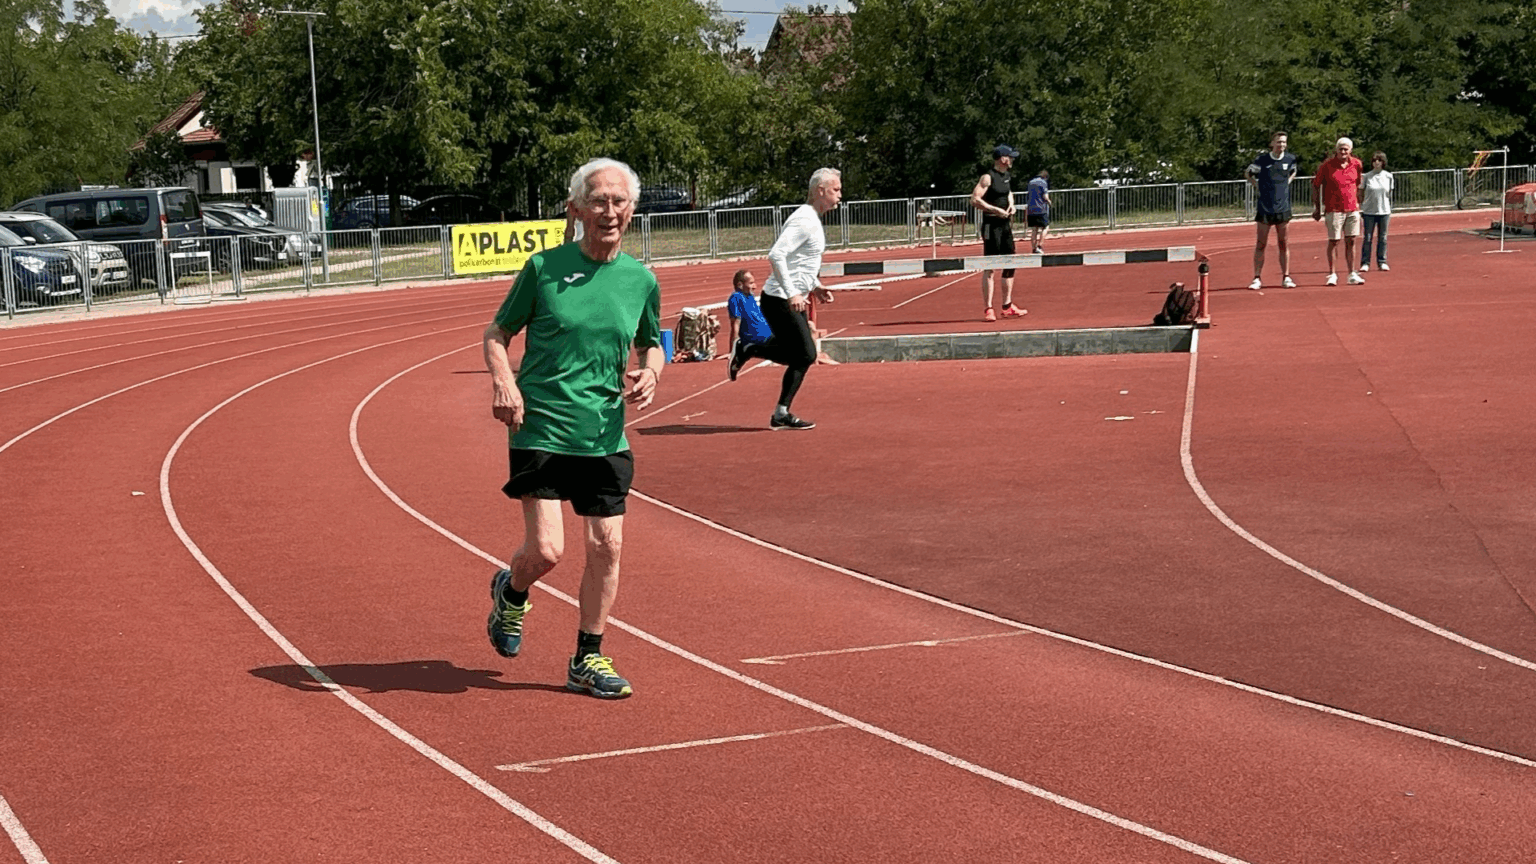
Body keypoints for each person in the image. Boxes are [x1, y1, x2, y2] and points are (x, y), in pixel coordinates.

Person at [481, 157, 663, 700]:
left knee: (607, 544)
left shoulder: (641, 280)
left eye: (619, 201)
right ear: (577, 209)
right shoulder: (544, 270)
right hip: (540, 428)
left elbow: (652, 341)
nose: (610, 211)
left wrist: (651, 371)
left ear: (631, 210)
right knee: (548, 552)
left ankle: (588, 657)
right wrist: (504, 383)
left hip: (605, 433)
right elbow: (497, 332)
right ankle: (512, 592)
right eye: (599, 201)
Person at [726, 167, 842, 430]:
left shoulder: (813, 219)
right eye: (836, 190)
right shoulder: (804, 220)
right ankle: (750, 350)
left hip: (791, 298)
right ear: (820, 191)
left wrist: (816, 285)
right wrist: (792, 292)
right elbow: (776, 255)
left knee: (799, 354)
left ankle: (780, 412)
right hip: (780, 299)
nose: (840, 195)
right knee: (805, 354)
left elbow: (799, 264)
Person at [970, 145, 1028, 322]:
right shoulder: (987, 178)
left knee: (1010, 262)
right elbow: (974, 199)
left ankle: (1007, 306)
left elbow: (1009, 193)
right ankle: (988, 309)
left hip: (1005, 225)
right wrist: (995, 210)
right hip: (991, 225)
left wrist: (1011, 205)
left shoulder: (1006, 176)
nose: (1012, 161)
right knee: (990, 266)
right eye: (1010, 158)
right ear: (1003, 159)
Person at [1245, 130, 1299, 290]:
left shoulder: (1290, 159)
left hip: (1283, 208)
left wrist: (1286, 184)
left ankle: (1286, 276)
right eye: (1278, 142)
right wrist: (1257, 186)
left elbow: (1293, 171)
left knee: (1284, 243)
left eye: (1283, 142)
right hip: (1265, 208)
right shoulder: (1262, 160)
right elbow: (1248, 173)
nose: (1281, 145)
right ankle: (1256, 277)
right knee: (1261, 244)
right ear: (1272, 143)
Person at [1311, 137, 1366, 286]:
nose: (1343, 152)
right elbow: (1316, 185)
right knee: (1334, 241)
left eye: (1346, 149)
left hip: (1352, 208)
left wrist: (1358, 203)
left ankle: (1351, 273)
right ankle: (1332, 273)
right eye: (1340, 149)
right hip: (1333, 209)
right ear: (1336, 149)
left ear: (1350, 150)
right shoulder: (1327, 166)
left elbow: (1359, 184)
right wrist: (1317, 208)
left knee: (1351, 240)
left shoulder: (1356, 164)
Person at [1358, 151, 1393, 272]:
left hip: (1384, 211)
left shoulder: (1388, 176)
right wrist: (1361, 206)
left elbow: (1389, 193)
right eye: (1374, 160)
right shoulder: (1366, 176)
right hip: (1369, 212)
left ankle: (1382, 261)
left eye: (1379, 160)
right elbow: (1361, 193)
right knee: (1367, 237)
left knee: (1382, 237)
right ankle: (1365, 262)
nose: (1376, 162)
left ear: (1383, 162)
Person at [726, 269, 772, 357]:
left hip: (766, 336)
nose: (754, 286)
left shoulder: (750, 296)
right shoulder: (736, 298)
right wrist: (733, 350)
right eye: (751, 283)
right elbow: (735, 324)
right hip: (756, 339)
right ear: (740, 285)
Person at [1025, 169, 1051, 253]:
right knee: (1046, 227)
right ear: (1045, 177)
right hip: (1041, 208)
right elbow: (1045, 196)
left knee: (1034, 229)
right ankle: (1040, 245)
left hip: (1031, 209)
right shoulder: (1043, 183)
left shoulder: (1031, 182)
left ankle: (1033, 247)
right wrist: (1049, 202)